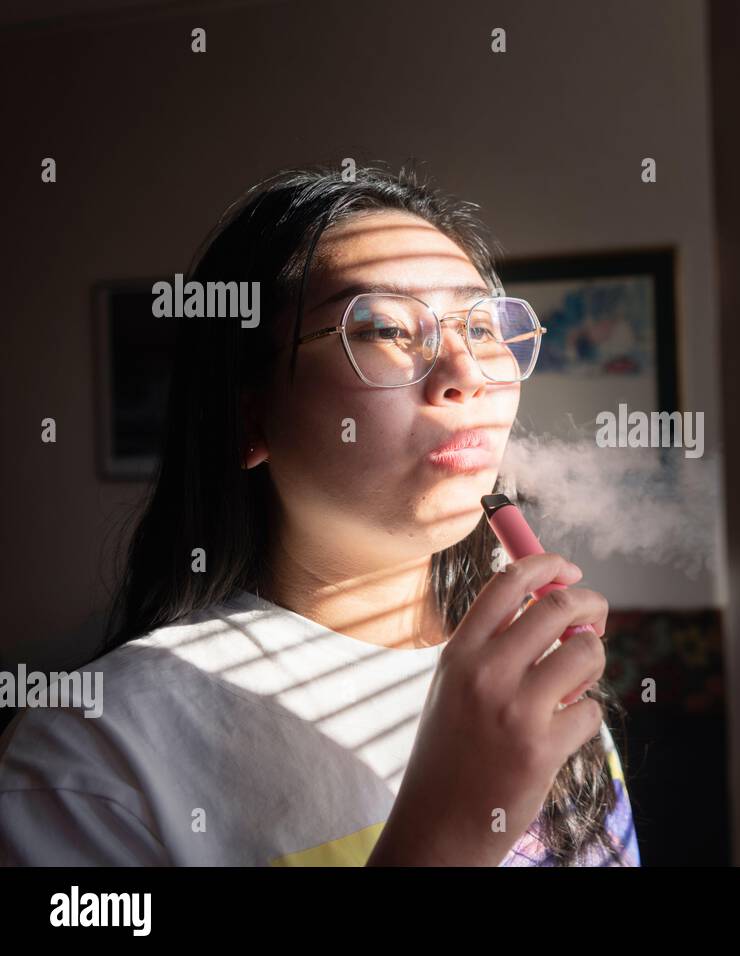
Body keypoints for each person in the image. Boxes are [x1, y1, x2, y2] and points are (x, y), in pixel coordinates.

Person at [0, 165, 639, 867]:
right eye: (385, 328)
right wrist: (447, 836)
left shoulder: (535, 672)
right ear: (250, 417)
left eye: (484, 326)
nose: (467, 372)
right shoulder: (93, 756)